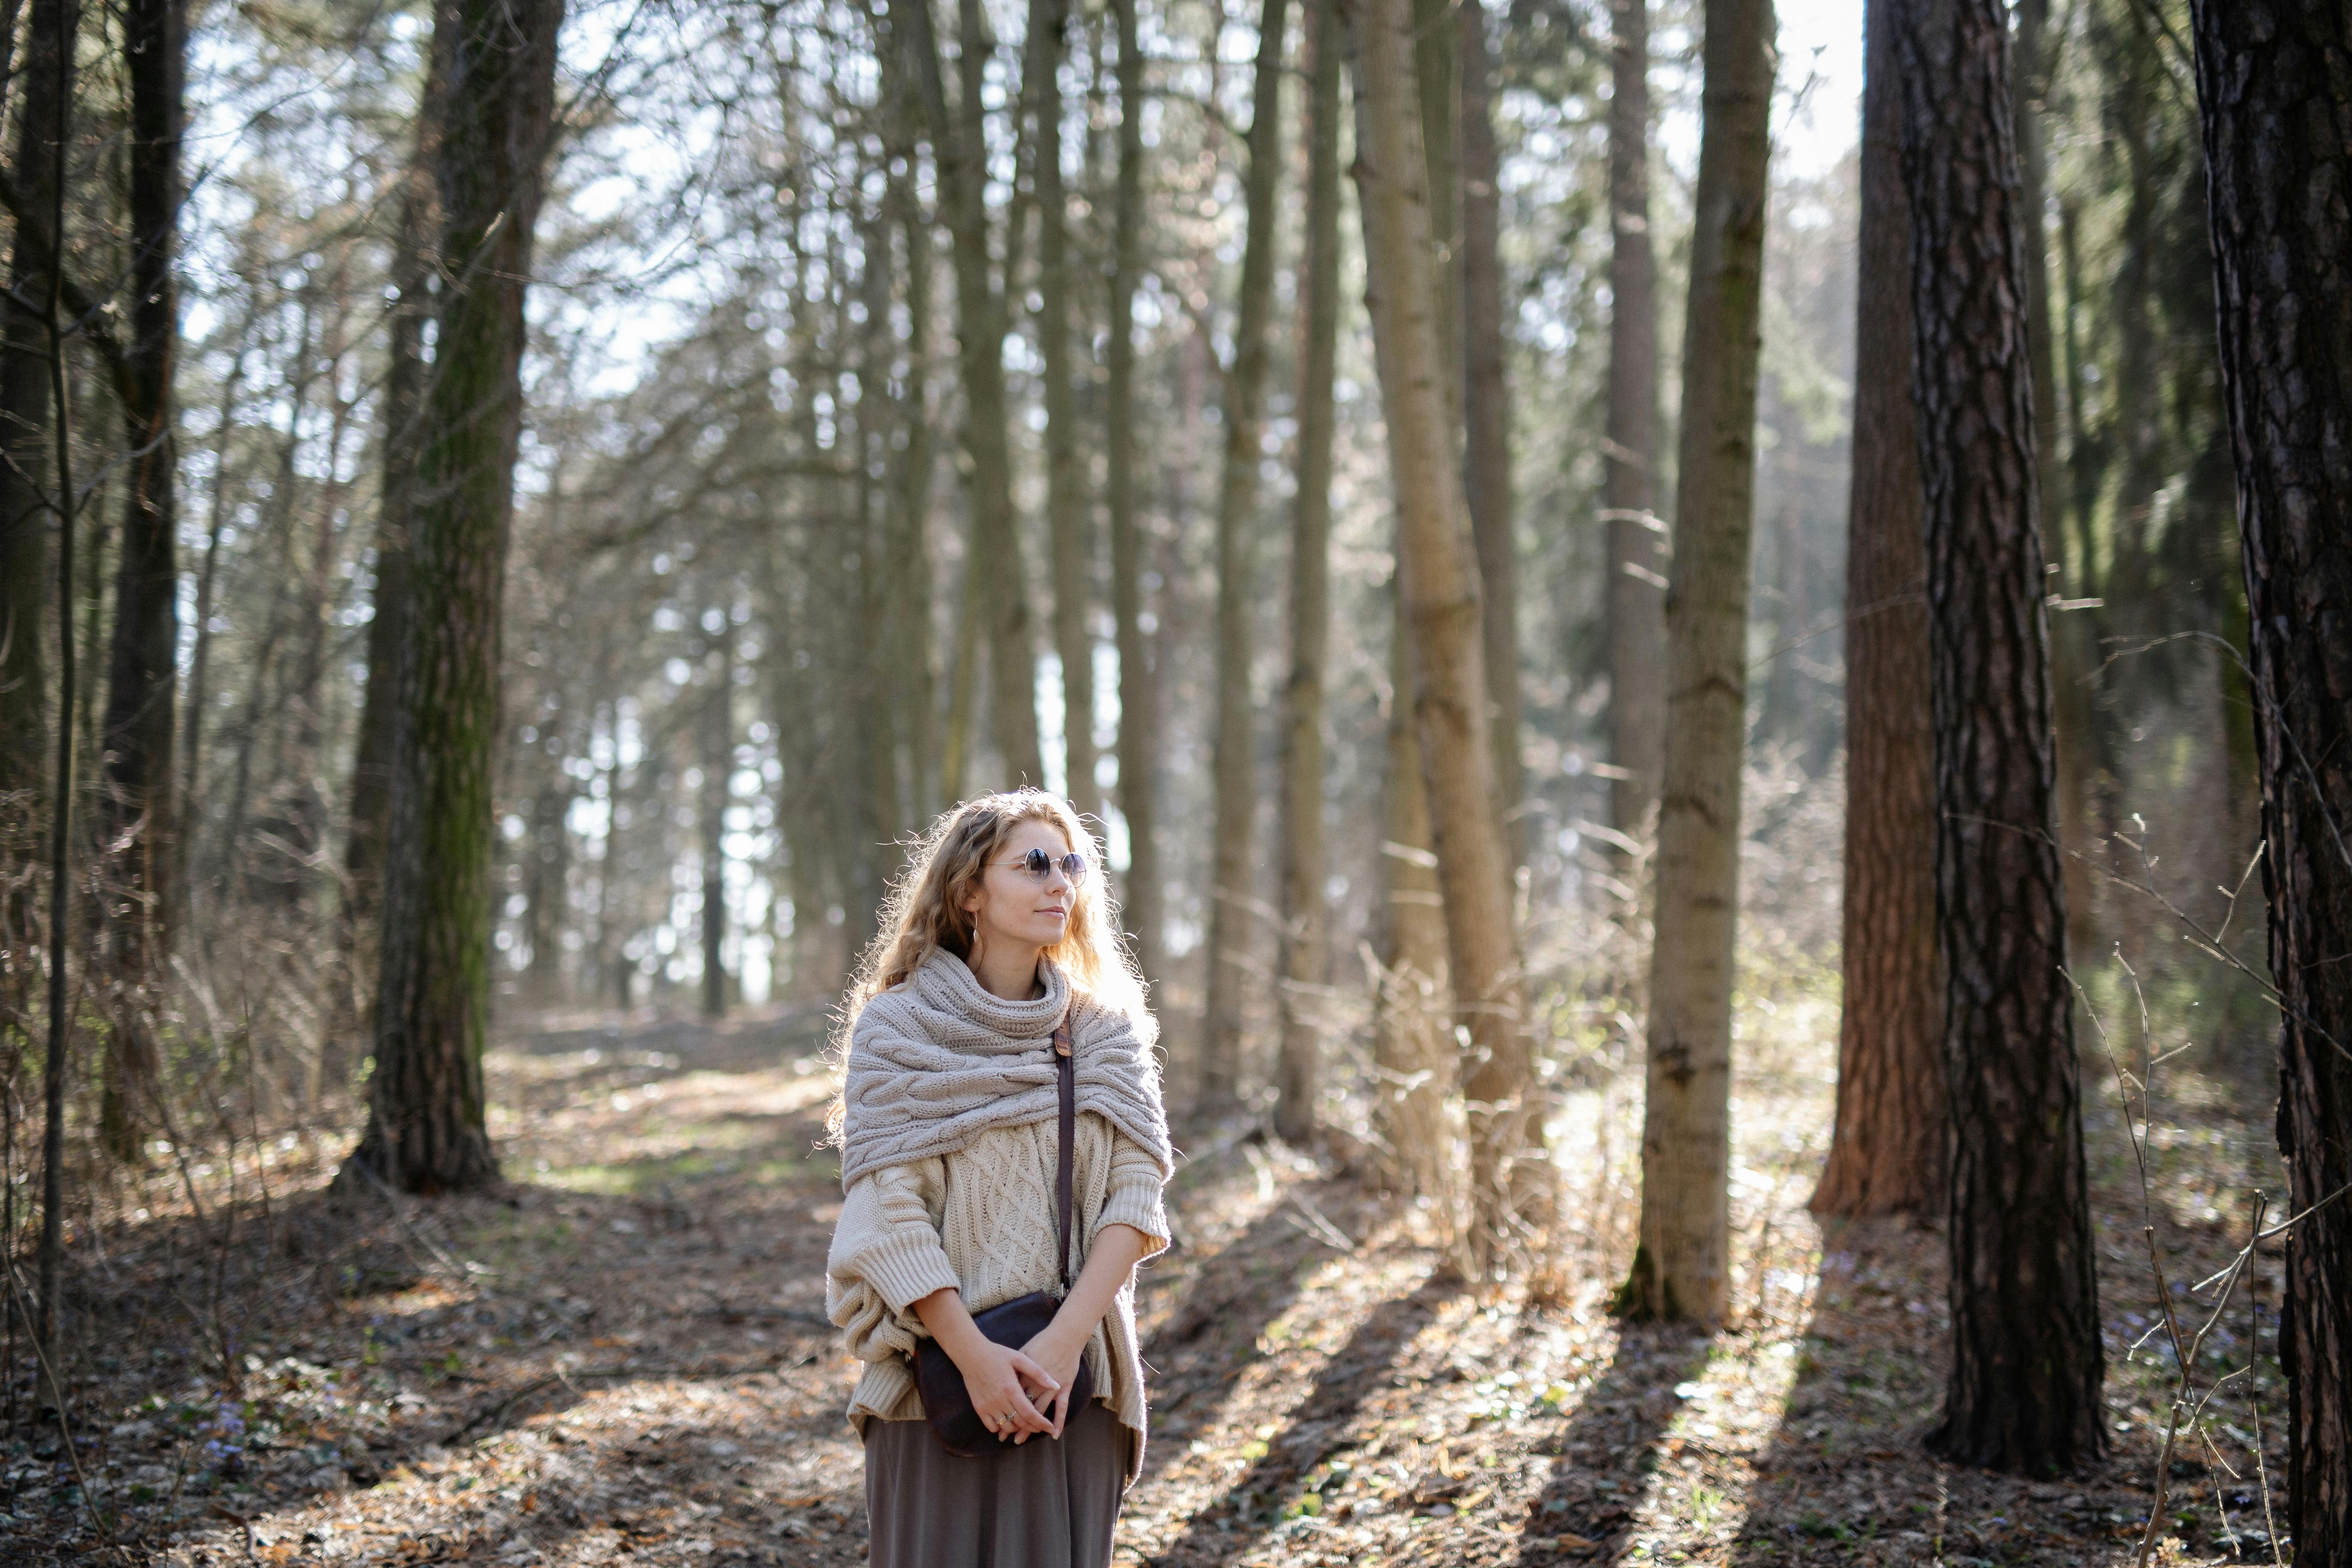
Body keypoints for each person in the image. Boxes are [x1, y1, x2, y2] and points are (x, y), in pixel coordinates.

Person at [825, 789, 1173, 1568]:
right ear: (970, 892)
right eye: (1035, 864)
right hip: (933, 1387)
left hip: (1068, 1389)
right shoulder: (898, 1028)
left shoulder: (1105, 1031)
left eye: (1072, 865)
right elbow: (889, 1214)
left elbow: (1136, 1194)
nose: (1061, 883)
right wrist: (978, 1363)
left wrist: (1060, 1344)